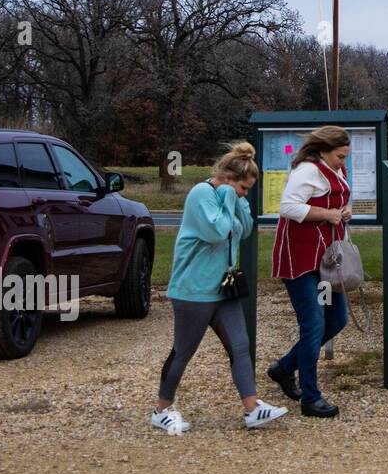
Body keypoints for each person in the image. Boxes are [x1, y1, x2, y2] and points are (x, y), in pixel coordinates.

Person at [151, 142, 288, 434]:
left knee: (240, 347)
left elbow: (245, 228)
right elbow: (219, 231)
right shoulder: (202, 194)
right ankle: (161, 410)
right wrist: (228, 196)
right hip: (194, 290)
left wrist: (238, 201)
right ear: (227, 179)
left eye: (248, 189)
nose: (244, 193)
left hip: (223, 288)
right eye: (243, 188)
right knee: (183, 352)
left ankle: (252, 409)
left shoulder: (231, 198)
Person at [267, 125, 352, 418]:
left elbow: (336, 201)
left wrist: (344, 210)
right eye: (340, 156)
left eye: (345, 157)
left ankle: (284, 368)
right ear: (323, 151)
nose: (343, 162)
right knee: (313, 325)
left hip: (327, 261)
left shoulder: (335, 170)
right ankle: (310, 398)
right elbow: (288, 207)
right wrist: (327, 214)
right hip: (300, 260)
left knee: (337, 319)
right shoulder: (307, 171)